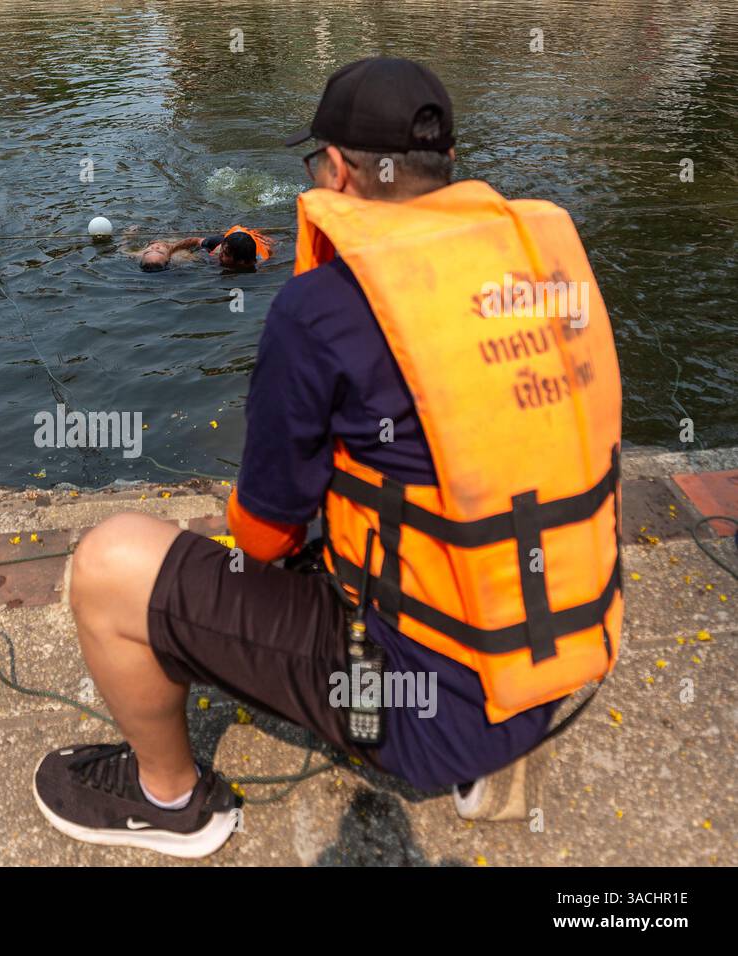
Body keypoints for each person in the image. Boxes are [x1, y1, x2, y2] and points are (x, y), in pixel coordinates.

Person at [32, 57, 623, 858]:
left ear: (339, 172)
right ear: (447, 164)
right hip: (547, 666)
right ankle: (499, 753)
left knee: (109, 565)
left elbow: (268, 536)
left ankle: (168, 802)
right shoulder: (544, 266)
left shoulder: (320, 309)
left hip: (422, 706)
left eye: (316, 162)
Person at [132, 226, 273, 272]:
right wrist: (170, 250)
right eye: (222, 250)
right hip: (236, 235)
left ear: (242, 262)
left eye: (225, 254)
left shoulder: (262, 262)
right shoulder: (218, 245)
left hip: (254, 240)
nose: (220, 255)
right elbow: (193, 240)